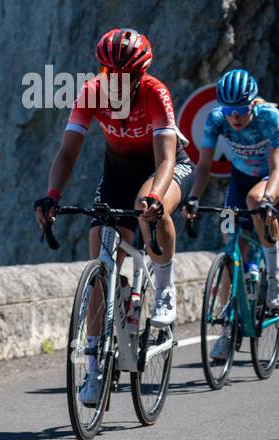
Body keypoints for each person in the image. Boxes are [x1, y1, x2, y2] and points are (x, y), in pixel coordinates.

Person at [34, 27, 192, 406]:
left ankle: (165, 288)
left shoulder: (155, 92)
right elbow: (68, 152)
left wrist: (156, 196)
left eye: (128, 78)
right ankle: (94, 364)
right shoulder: (91, 91)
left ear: (141, 75)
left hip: (164, 169)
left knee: (147, 209)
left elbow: (167, 158)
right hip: (117, 172)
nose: (118, 84)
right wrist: (52, 196)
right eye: (111, 75)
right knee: (100, 262)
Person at [183, 69, 279, 359]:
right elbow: (203, 166)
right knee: (231, 246)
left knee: (255, 200)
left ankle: (273, 278)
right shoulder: (216, 120)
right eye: (229, 111)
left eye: (240, 110)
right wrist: (193, 198)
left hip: (270, 178)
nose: (234, 118)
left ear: (252, 104)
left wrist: (268, 199)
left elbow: (276, 168)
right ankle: (227, 330)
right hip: (240, 179)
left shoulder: (269, 118)